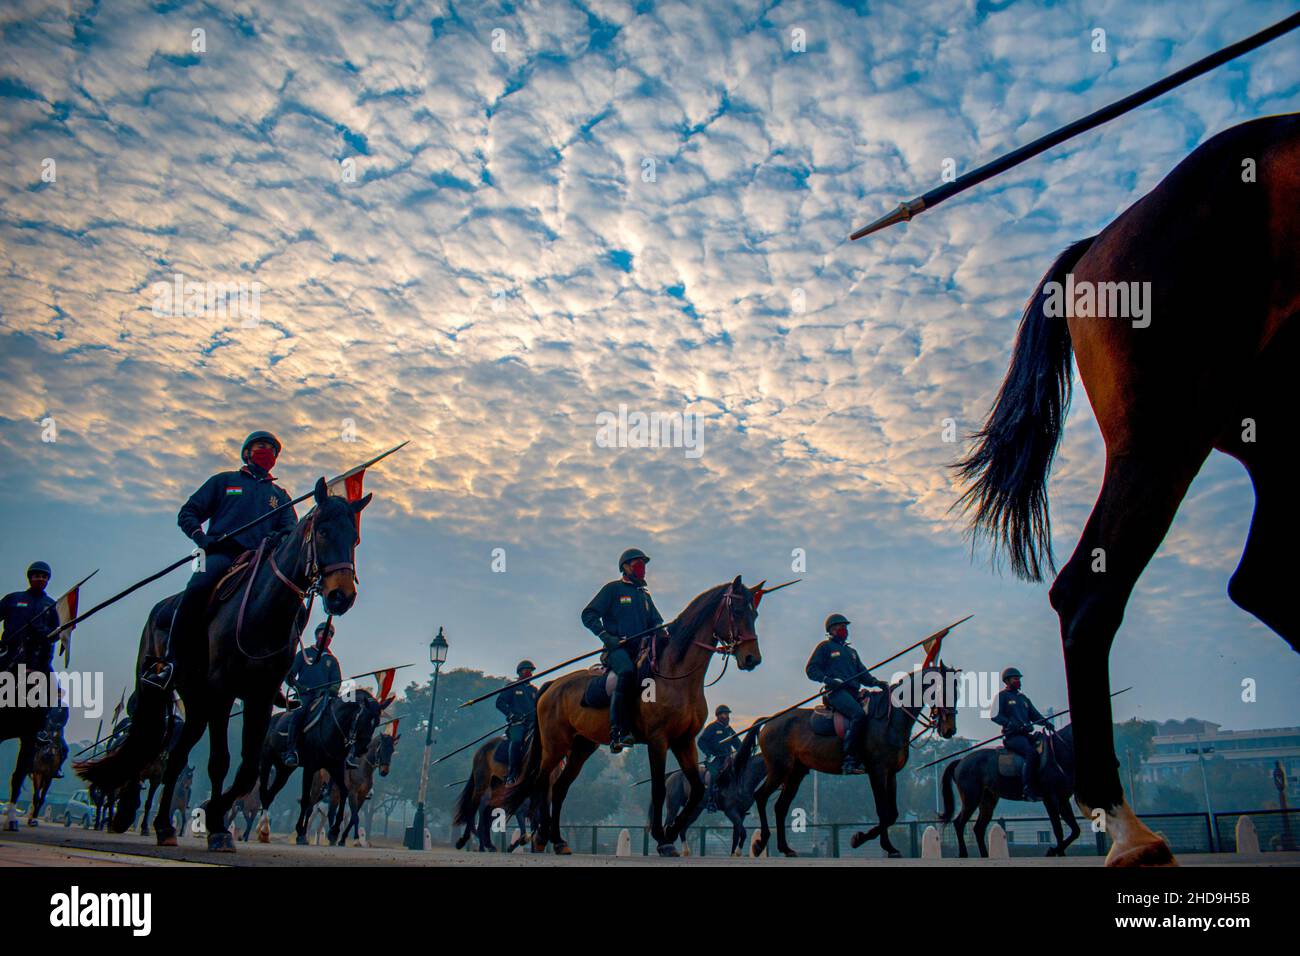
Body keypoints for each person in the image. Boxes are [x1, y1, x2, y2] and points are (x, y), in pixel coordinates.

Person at [142, 431, 296, 690]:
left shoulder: (280, 497)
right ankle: (171, 662)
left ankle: (275, 675)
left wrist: (277, 537)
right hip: (221, 553)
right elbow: (189, 512)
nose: (267, 451)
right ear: (247, 453)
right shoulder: (225, 481)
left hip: (260, 563)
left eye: (272, 449)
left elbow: (290, 531)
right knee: (198, 588)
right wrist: (202, 539)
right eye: (261, 446)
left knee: (292, 604)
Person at [581, 548, 665, 753]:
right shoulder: (613, 589)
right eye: (637, 564)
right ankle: (617, 731)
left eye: (643, 565)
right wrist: (607, 637)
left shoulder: (644, 596)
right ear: (625, 567)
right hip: (617, 650)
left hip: (642, 650)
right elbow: (589, 614)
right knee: (627, 671)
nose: (642, 568)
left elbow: (657, 623)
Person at [805, 613, 886, 775]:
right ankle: (849, 760)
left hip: (854, 692)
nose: (844, 630)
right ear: (831, 630)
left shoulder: (852, 652)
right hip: (836, 692)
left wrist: (877, 682)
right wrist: (828, 679)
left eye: (845, 627)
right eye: (840, 627)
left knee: (872, 715)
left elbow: (863, 675)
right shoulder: (825, 647)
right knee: (858, 715)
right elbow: (811, 670)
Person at [280, 621, 343, 769]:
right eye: (323, 634)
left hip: (325, 697)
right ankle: (290, 750)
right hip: (305, 695)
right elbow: (289, 676)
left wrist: (331, 690)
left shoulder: (332, 660)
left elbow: (337, 682)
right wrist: (300, 687)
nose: (326, 637)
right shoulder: (304, 653)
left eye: (329, 635)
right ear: (317, 635)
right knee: (299, 713)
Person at [992, 667, 1046, 799]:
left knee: (1046, 749)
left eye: (1019, 679)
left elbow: (1035, 715)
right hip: (1013, 737)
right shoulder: (1002, 696)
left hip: (1027, 735)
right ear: (1007, 681)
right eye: (1015, 679)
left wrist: (1046, 722)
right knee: (1031, 753)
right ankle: (1027, 788)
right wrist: (1010, 724)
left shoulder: (1023, 698)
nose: (1018, 681)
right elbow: (994, 716)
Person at [0, 561, 59, 670]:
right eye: (37, 576)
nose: (41, 579)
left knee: (54, 687)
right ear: (30, 578)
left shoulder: (51, 605)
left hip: (38, 662)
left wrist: (43, 632)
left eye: (44, 577)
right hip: (8, 657)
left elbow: (57, 633)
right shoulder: (13, 599)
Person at [496, 660, 539, 783]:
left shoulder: (534, 691)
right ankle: (512, 774)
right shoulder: (512, 687)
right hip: (517, 724)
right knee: (516, 741)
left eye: (531, 671)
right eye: (527, 671)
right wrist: (511, 714)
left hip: (533, 724)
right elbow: (500, 703)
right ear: (520, 672)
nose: (530, 674)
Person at [697, 704, 738, 812]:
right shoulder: (712, 727)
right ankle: (710, 802)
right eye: (725, 714)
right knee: (714, 774)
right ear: (718, 716)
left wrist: (746, 751)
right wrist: (709, 753)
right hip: (715, 759)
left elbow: (738, 744)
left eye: (728, 714)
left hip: (727, 758)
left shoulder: (729, 730)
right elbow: (701, 742)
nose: (727, 716)